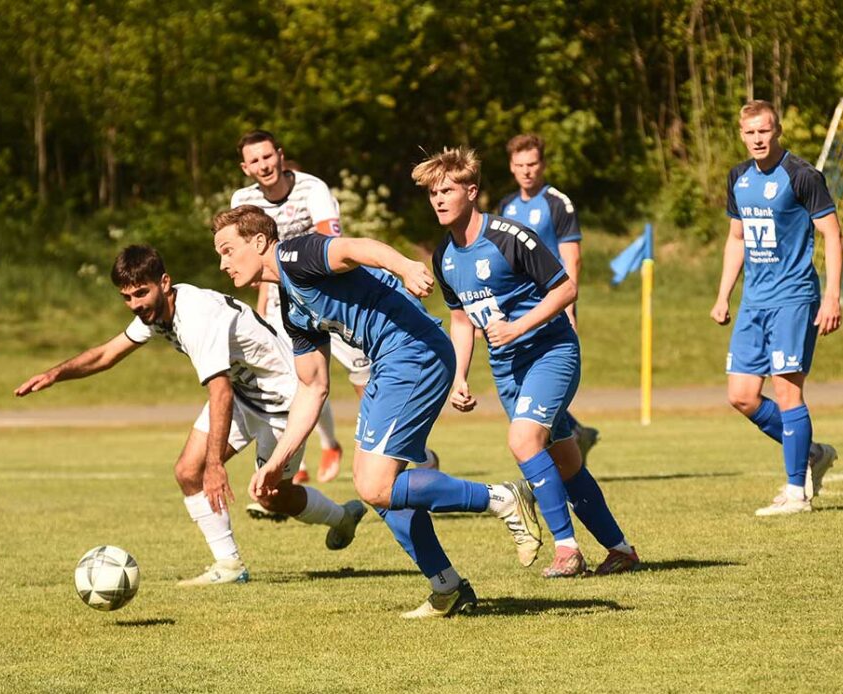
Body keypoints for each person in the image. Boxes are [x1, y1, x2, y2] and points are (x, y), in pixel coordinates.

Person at [212, 205, 542, 618]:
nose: (223, 263)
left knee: (374, 485)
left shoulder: (296, 255)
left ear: (259, 241)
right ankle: (448, 586)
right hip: (389, 363)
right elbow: (313, 389)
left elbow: (355, 247)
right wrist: (277, 463)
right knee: (380, 491)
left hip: (413, 351)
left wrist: (405, 266)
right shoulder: (291, 309)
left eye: (228, 250)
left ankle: (502, 498)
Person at [14, 245, 366, 585]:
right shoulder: (155, 313)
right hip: (246, 396)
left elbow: (220, 390)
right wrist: (56, 374)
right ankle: (228, 564)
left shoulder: (196, 315)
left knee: (270, 496)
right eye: (127, 297)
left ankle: (343, 517)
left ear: (164, 283)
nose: (135, 304)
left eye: (141, 293)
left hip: (285, 403)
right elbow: (107, 354)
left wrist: (216, 464)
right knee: (187, 471)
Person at [416, 147, 640, 578]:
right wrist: (459, 376)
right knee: (566, 461)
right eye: (432, 194)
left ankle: (567, 550)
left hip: (550, 352)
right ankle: (620, 549)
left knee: (522, 442)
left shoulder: (508, 236)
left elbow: (565, 289)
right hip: (506, 368)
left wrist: (518, 329)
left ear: (472, 191)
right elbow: (462, 320)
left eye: (447, 190)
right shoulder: (444, 256)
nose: (439, 200)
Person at [710, 100, 842, 516]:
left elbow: (833, 235)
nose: (757, 139)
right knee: (742, 396)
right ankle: (812, 453)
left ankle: (795, 493)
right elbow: (736, 238)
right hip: (754, 301)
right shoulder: (738, 177)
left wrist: (833, 295)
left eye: (764, 131)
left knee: (787, 392)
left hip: (794, 297)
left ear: (777, 130)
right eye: (750, 132)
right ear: (741, 134)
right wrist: (723, 294)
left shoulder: (802, 176)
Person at [231, 130, 371, 488]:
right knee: (299, 382)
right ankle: (297, 464)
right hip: (284, 304)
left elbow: (332, 243)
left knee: (363, 379)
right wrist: (262, 306)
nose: (264, 165)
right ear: (246, 168)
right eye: (255, 161)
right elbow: (249, 257)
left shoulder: (313, 189)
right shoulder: (243, 200)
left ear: (280, 154)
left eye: (268, 156)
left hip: (328, 299)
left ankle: (383, 450)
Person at [497, 133, 599, 463]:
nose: (527, 171)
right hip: (517, 308)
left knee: (544, 375)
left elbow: (573, 258)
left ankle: (563, 444)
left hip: (553, 304)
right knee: (524, 380)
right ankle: (575, 434)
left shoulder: (557, 203)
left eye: (533, 164)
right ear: (512, 168)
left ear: (543, 165)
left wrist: (568, 307)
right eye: (520, 165)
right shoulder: (506, 206)